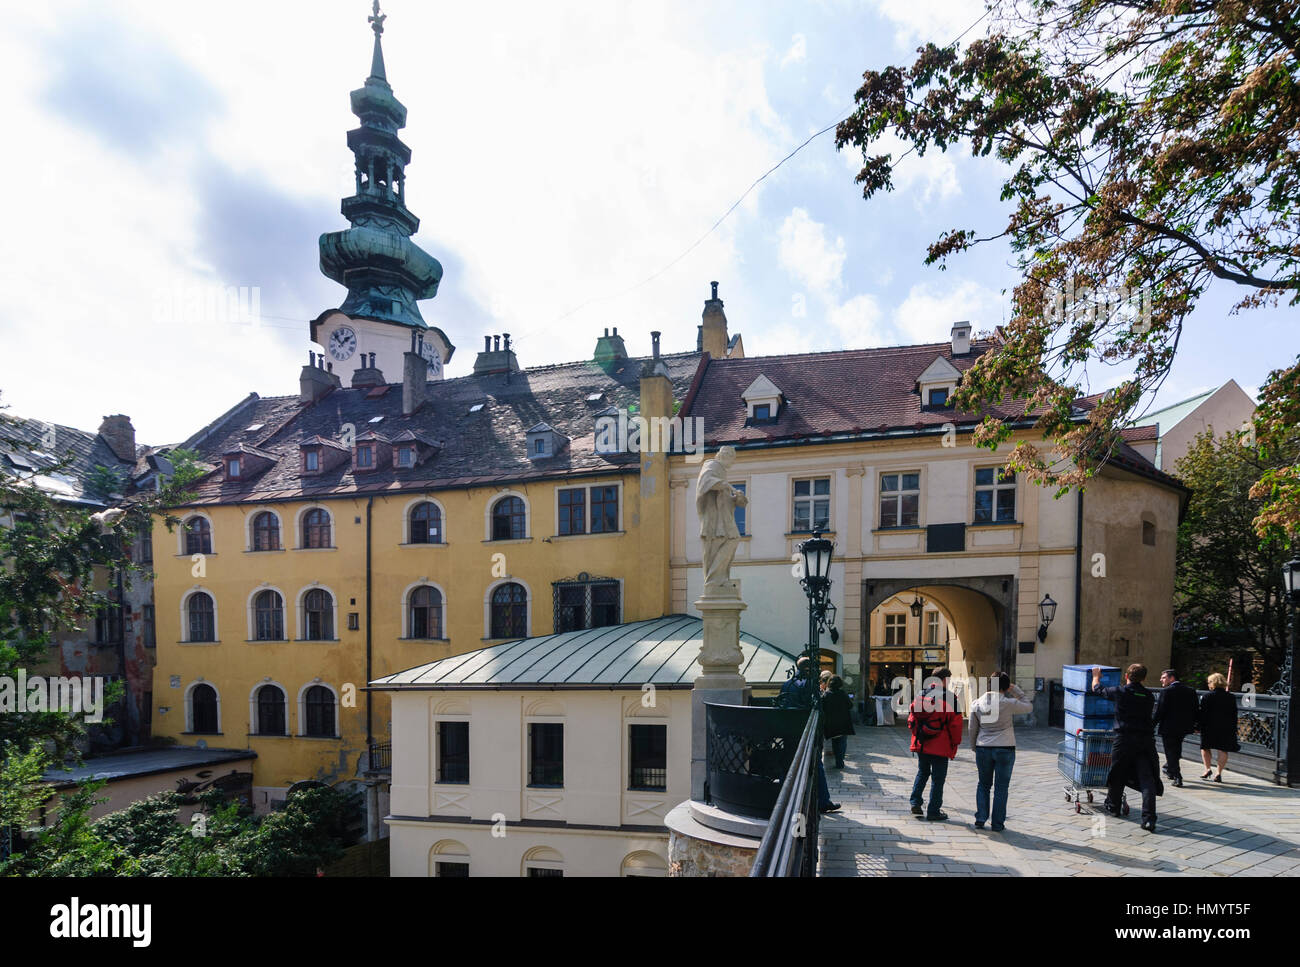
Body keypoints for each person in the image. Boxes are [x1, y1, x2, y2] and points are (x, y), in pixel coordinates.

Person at [1091, 663, 1163, 833]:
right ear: (1144, 678)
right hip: (1145, 741)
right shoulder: (1148, 695)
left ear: (1126, 676)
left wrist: (1096, 676)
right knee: (1147, 780)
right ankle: (1148, 819)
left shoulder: (1120, 691)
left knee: (1118, 773)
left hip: (1124, 740)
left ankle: (1113, 806)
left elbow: (1097, 689)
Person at [968, 672, 1033, 831]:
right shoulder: (1008, 703)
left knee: (983, 785)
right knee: (1001, 788)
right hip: (1005, 747)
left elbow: (972, 728)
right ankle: (997, 823)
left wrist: (974, 746)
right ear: (1005, 687)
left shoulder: (976, 703)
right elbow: (1028, 706)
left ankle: (981, 818)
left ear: (989, 685)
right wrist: (1015, 689)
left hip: (983, 747)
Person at [778, 657, 840, 813]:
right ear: (808, 668)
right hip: (805, 731)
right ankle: (823, 801)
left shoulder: (787, 684)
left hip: (788, 730)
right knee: (815, 764)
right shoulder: (809, 685)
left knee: (789, 764)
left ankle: (785, 799)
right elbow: (815, 708)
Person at [907, 668, 963, 821]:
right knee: (938, 779)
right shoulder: (950, 698)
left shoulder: (921, 694)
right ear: (944, 680)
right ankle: (933, 810)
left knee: (922, 772)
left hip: (922, 742)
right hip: (941, 744)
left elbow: (912, 718)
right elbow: (956, 725)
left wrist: (919, 734)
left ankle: (915, 802)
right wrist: (955, 742)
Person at [1154, 667, 1198, 787]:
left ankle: (1177, 775)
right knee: (1176, 749)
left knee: (1170, 751)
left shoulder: (1166, 692)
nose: (1161, 680)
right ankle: (1170, 769)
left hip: (1168, 727)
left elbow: (1160, 711)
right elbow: (1195, 709)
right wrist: (1196, 725)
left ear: (1171, 678)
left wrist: (1151, 725)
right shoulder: (1191, 691)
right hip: (1184, 727)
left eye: (1163, 677)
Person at [1198, 672, 1240, 782]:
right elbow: (1234, 713)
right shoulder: (1230, 697)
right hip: (1225, 726)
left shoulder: (1207, 696)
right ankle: (1218, 773)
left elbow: (1203, 713)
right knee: (1223, 749)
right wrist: (1235, 727)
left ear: (1213, 683)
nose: (1208, 684)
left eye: (1209, 682)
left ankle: (1207, 769)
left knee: (1205, 747)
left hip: (1209, 726)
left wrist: (1198, 725)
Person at [822, 675, 855, 769]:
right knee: (842, 742)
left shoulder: (826, 694)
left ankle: (838, 760)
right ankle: (840, 761)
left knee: (835, 742)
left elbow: (823, 708)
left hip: (832, 722)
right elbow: (850, 706)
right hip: (843, 721)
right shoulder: (842, 693)